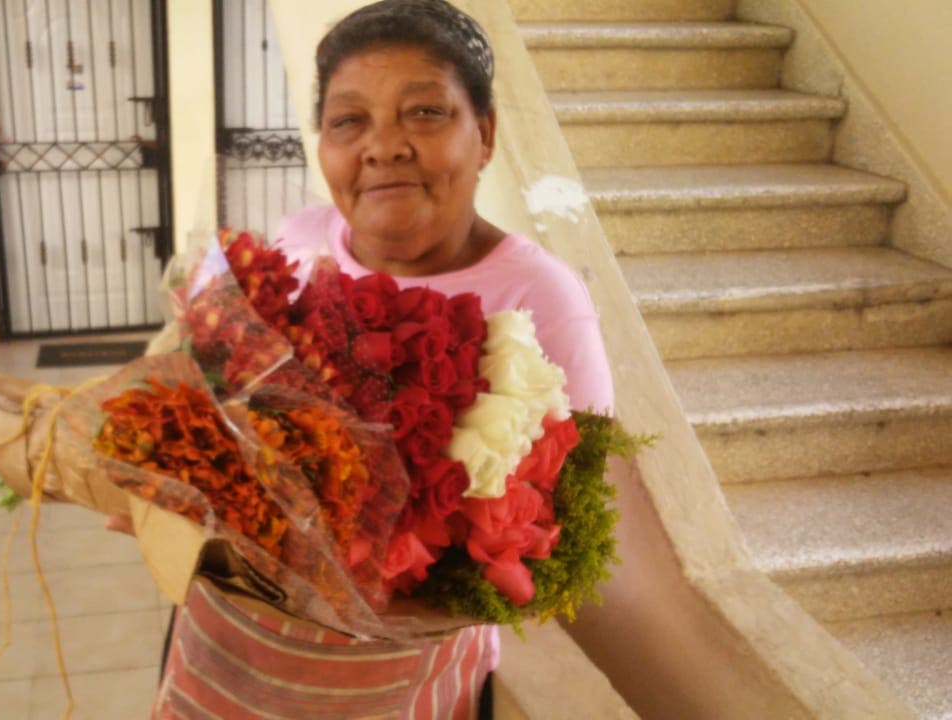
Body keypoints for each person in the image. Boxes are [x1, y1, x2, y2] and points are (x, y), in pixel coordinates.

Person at [142, 1, 614, 716]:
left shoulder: (540, 296)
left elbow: (570, 523)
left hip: (403, 680)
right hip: (234, 648)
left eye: (424, 112)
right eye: (348, 121)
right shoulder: (297, 241)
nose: (383, 146)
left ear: (484, 135)